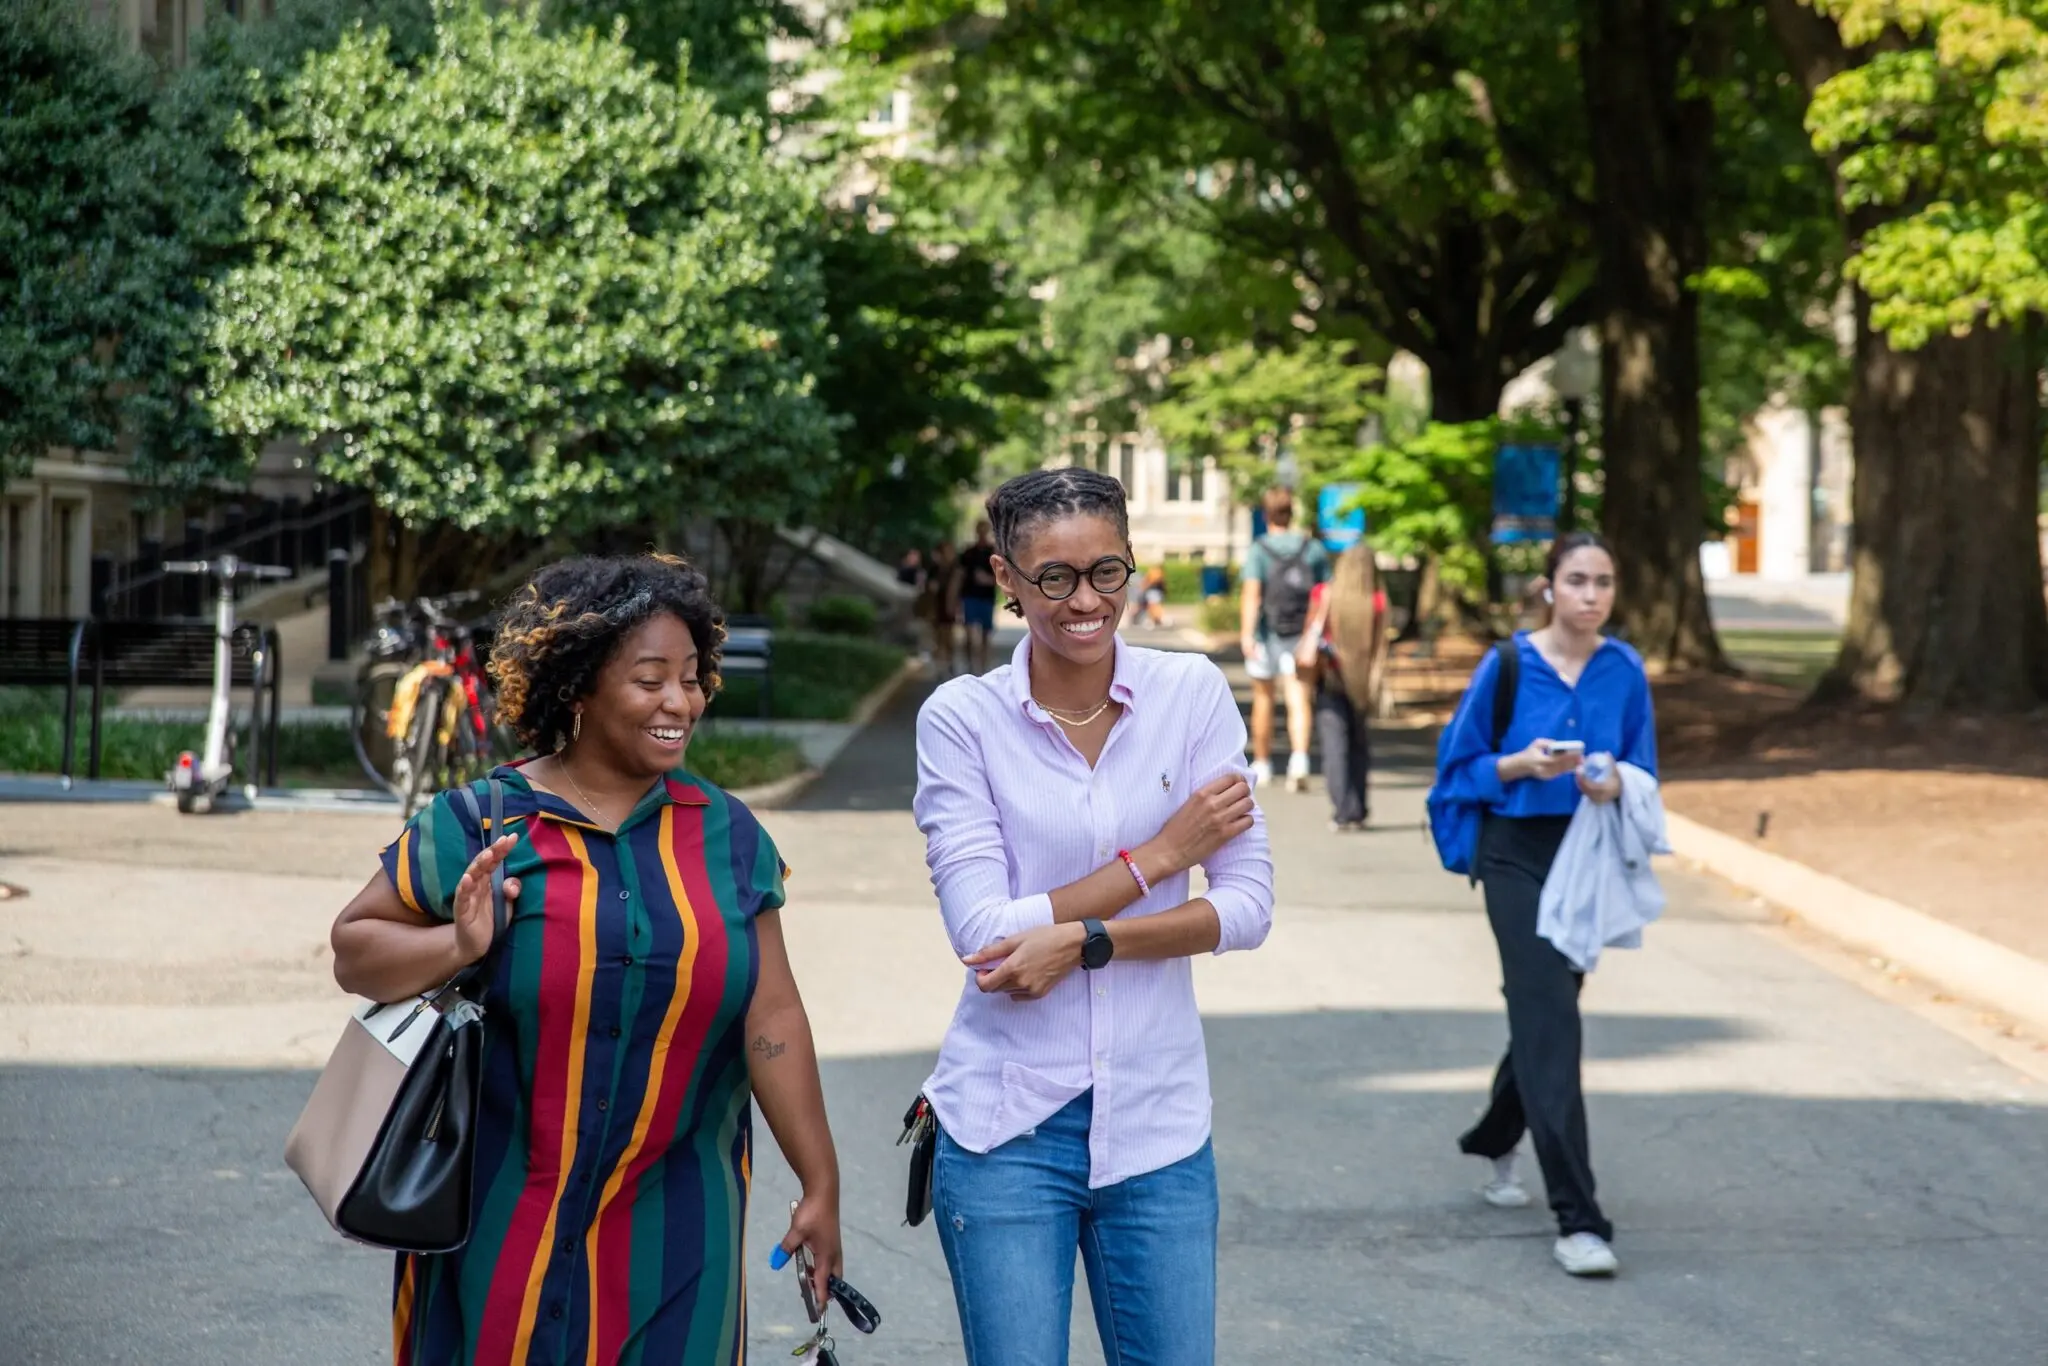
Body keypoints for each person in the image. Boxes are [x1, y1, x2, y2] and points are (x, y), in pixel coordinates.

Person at [330, 553, 844, 1364]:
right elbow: (355, 950)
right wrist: (456, 945)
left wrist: (821, 1182)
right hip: (499, 1227)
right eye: (650, 680)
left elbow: (771, 1015)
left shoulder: (730, 837)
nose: (681, 701)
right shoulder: (485, 821)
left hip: (682, 1232)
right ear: (579, 688)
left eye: (692, 677)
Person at [913, 467, 1274, 1366]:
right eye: (1055, 578)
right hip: (1006, 1129)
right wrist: (1160, 856)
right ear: (1006, 578)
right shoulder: (961, 721)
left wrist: (1087, 941)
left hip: (1159, 1127)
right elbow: (985, 935)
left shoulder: (1190, 696)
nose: (1087, 600)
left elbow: (1247, 907)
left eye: (1107, 572)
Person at [1428, 531, 1656, 1279]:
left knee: (1544, 1015)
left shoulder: (1624, 669)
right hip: (1512, 854)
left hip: (1586, 854)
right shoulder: (1509, 664)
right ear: (1549, 586)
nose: (1592, 595)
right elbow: (1459, 770)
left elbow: (1642, 767)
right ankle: (1580, 1220)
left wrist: (1612, 781)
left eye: (1605, 583)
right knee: (1552, 1017)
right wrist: (1519, 765)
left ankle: (1498, 1135)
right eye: (1579, 580)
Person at [1239, 486, 1330, 790]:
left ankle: (1263, 764)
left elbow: (1252, 595)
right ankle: (1299, 760)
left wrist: (1247, 635)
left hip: (1267, 635)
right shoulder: (1312, 548)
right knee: (1298, 698)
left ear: (1265, 515)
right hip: (1301, 636)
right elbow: (1325, 593)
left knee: (1264, 698)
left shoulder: (1259, 549)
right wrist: (1313, 633)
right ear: (1292, 513)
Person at [1300, 542, 1387, 831]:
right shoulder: (1376, 601)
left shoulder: (1325, 594)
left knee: (1334, 745)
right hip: (1360, 681)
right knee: (1359, 745)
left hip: (1330, 677)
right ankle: (1359, 809)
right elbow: (1379, 647)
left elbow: (1311, 629)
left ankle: (1341, 811)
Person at [958, 519, 999, 675]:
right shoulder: (968, 552)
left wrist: (987, 580)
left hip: (986, 598)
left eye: (985, 529)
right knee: (968, 634)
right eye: (979, 529)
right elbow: (960, 575)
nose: (982, 533)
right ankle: (970, 666)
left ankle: (982, 669)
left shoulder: (993, 552)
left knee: (985, 635)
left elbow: (1002, 578)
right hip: (969, 596)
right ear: (976, 531)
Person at [924, 540, 963, 679]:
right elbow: (928, 587)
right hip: (936, 606)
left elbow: (957, 590)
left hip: (949, 606)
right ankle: (940, 665)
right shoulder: (934, 569)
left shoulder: (955, 569)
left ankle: (949, 663)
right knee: (937, 636)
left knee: (948, 636)